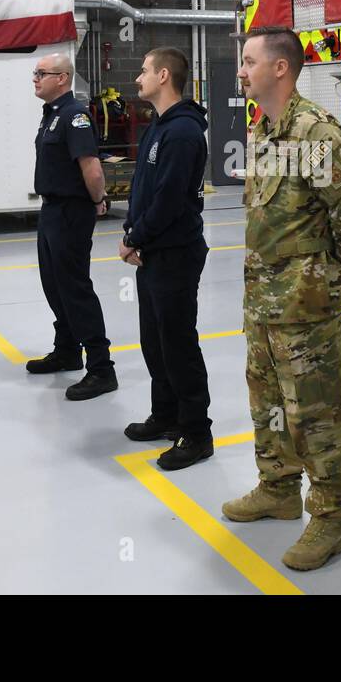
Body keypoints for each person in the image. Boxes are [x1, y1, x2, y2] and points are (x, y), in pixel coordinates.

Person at [222, 25, 341, 571]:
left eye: (249, 60)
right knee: (269, 403)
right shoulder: (265, 130)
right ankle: (277, 488)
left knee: (317, 411)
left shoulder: (314, 133)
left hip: (305, 303)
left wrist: (336, 271)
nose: (241, 69)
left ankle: (331, 520)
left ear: (280, 68)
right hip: (263, 299)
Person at [118, 48, 214, 470]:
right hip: (154, 251)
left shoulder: (182, 132)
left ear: (162, 75)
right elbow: (148, 191)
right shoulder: (160, 127)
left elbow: (170, 199)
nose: (137, 78)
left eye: (142, 71)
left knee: (177, 345)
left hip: (175, 253)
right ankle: (166, 414)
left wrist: (135, 236)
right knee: (154, 341)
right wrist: (137, 237)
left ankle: (196, 432)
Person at [27, 51, 116, 401]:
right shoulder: (52, 114)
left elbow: (91, 168)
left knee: (75, 288)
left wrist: (98, 200)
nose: (35, 78)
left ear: (62, 78)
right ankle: (66, 349)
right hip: (51, 211)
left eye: (41, 73)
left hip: (70, 212)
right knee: (54, 285)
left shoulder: (74, 115)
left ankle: (100, 367)